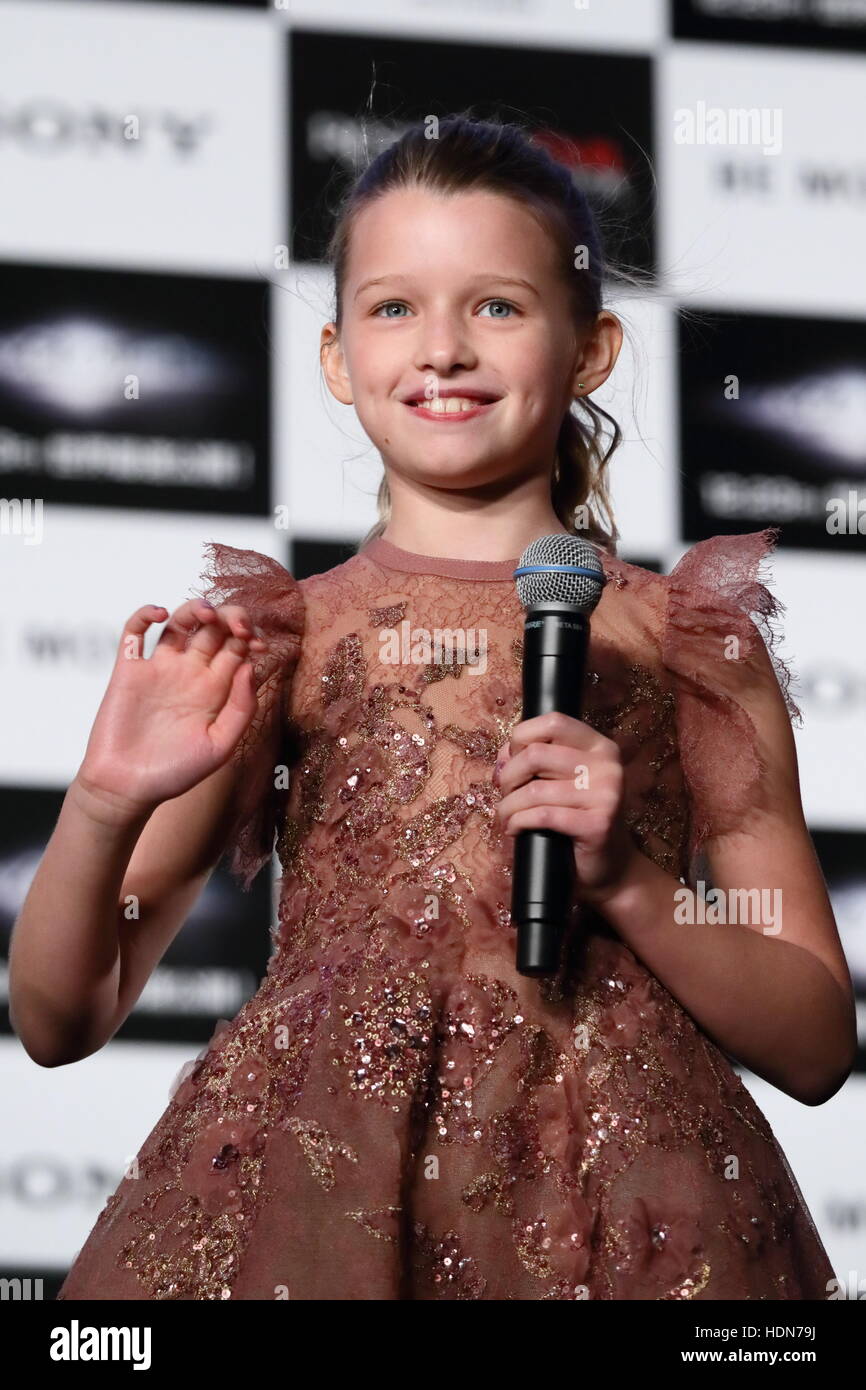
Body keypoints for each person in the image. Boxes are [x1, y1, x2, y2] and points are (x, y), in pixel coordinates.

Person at [13, 114, 855, 1301]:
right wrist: (101, 805)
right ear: (335, 356)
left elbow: (818, 1040)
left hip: (624, 1222)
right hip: (324, 1206)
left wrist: (624, 881)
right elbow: (59, 1013)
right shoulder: (282, 638)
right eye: (394, 307)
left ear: (591, 348)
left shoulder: (684, 642)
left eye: (498, 306)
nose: (443, 349)